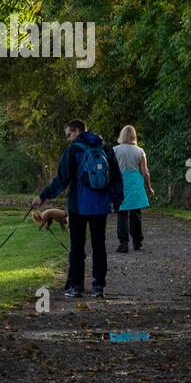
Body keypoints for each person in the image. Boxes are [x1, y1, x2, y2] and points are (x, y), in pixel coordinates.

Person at [31, 118, 124, 298]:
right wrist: (117, 201)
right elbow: (116, 178)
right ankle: (98, 286)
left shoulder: (73, 150)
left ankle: (76, 286)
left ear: (78, 131)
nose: (68, 139)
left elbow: (61, 180)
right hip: (100, 206)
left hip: (78, 206)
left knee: (77, 247)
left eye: (69, 134)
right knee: (99, 246)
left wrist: (42, 196)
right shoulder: (106, 149)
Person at [113, 125, 152, 252]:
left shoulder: (115, 150)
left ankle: (123, 243)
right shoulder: (140, 151)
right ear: (134, 136)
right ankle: (137, 241)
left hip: (120, 184)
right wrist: (149, 187)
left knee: (122, 213)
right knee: (136, 213)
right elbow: (145, 172)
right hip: (135, 184)